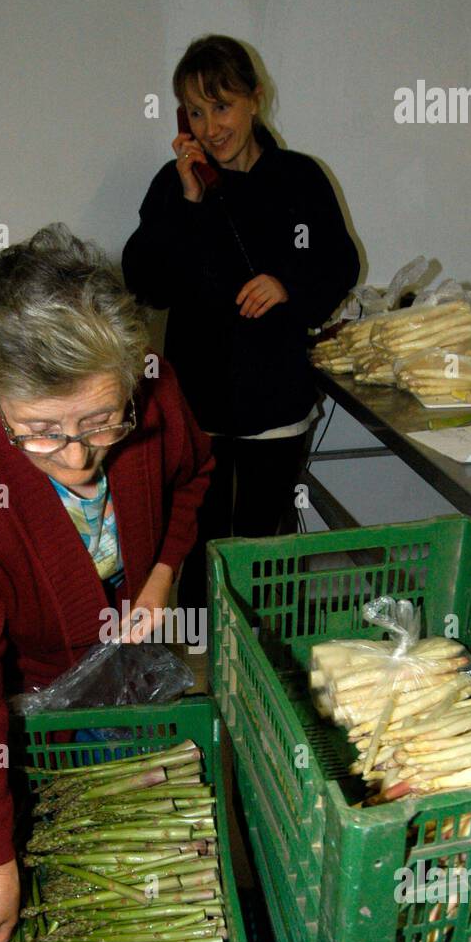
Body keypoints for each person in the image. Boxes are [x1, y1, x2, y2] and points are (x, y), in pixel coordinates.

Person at [0, 224, 213, 942]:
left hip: (130, 626)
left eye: (103, 422)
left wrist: (163, 574)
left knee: (152, 797)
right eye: (41, 433)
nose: (78, 458)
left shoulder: (151, 382)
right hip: (32, 665)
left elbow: (194, 475)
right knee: (54, 787)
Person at [122, 34, 359, 610]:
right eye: (196, 112)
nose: (210, 126)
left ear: (256, 98)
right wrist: (187, 203)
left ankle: (251, 660)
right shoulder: (175, 184)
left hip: (273, 402)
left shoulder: (300, 179)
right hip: (196, 404)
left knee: (259, 543)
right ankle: (204, 668)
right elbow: (143, 281)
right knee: (195, 544)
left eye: (222, 106)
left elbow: (341, 266)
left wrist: (288, 286)